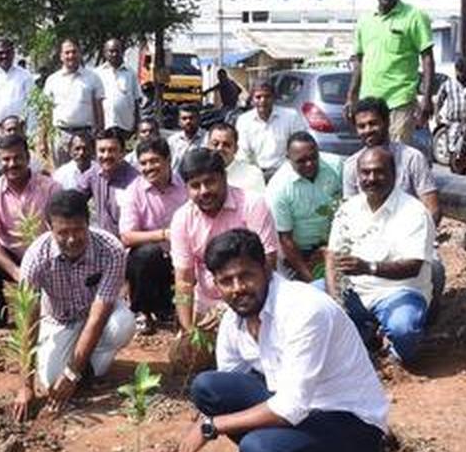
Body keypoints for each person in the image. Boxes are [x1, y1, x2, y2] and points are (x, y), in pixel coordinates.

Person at [167, 229, 388, 452]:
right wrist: (180, 444)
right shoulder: (235, 318)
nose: (238, 288)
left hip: (352, 425)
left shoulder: (305, 310)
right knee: (208, 387)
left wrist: (210, 428)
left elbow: (290, 408)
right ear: (216, 284)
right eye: (226, 281)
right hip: (303, 411)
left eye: (246, 276)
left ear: (266, 270)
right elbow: (230, 383)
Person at [14, 190, 133, 421]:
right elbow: (28, 319)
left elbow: (98, 316)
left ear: (88, 223)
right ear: (49, 228)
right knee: (50, 381)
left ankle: (86, 370)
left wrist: (71, 372)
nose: (71, 239)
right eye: (63, 232)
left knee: (123, 324)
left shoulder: (111, 250)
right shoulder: (35, 258)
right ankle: (82, 369)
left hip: (98, 315)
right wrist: (25, 385)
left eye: (78, 230)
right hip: (59, 319)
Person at [327, 147, 435, 365]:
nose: (371, 178)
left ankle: (394, 351)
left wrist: (368, 268)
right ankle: (366, 336)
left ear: (394, 174)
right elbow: (332, 255)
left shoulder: (414, 212)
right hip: (355, 291)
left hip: (399, 291)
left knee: (404, 329)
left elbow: (413, 266)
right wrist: (332, 297)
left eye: (379, 172)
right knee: (311, 300)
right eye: (365, 173)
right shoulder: (348, 209)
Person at [170, 148, 278, 360]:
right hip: (207, 308)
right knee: (181, 357)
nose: (203, 191)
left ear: (224, 177)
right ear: (186, 188)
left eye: (210, 182)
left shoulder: (253, 204)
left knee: (258, 356)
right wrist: (188, 329)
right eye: (195, 186)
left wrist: (227, 309)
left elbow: (268, 266)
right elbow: (183, 282)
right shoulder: (182, 219)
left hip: (254, 296)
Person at [0, 134, 62, 334]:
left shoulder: (50, 188)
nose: (12, 164)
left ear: (28, 158)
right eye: (6, 159)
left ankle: (56, 314)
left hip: (46, 256)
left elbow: (60, 229)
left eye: (17, 158)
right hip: (12, 258)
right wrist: (16, 272)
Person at [347, 0, 435, 146]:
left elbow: (427, 59)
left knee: (397, 158)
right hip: (370, 103)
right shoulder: (365, 20)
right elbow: (358, 62)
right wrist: (351, 96)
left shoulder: (414, 16)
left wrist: (427, 98)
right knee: (374, 157)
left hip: (400, 101)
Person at [120, 137, 187, 334]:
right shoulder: (133, 192)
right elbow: (127, 237)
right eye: (143, 163)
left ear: (168, 160)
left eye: (154, 161)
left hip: (181, 255)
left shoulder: (185, 187)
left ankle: (173, 309)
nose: (149, 167)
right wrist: (165, 235)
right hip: (149, 260)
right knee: (147, 253)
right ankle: (143, 311)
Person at [342, 97, 440, 225]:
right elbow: (349, 213)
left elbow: (432, 208)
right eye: (361, 126)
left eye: (373, 123)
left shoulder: (412, 158)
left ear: (387, 122)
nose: (368, 130)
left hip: (409, 232)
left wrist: (417, 235)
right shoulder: (352, 165)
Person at [266, 132, 342, 286]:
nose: (309, 164)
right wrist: (310, 279)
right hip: (298, 254)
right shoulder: (278, 188)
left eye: (313, 157)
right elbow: (285, 239)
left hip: (335, 245)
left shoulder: (336, 166)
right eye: (301, 161)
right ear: (288, 159)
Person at [43, 39, 105, 166]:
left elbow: (99, 108)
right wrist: (43, 140)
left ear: (80, 54)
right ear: (61, 56)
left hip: (86, 134)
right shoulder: (53, 80)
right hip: (61, 135)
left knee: (88, 173)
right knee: (61, 175)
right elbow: (46, 112)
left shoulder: (93, 78)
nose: (71, 56)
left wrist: (100, 133)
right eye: (67, 53)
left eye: (74, 52)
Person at [235, 81, 309, 180]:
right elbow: (243, 153)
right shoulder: (244, 121)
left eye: (267, 96)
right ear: (252, 99)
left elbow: (301, 147)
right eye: (258, 97)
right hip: (255, 175)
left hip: (284, 173)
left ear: (274, 98)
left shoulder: (291, 117)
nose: (263, 100)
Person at [76, 128, 138, 235]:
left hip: (130, 242)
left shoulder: (135, 179)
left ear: (123, 152)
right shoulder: (93, 174)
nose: (106, 156)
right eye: (102, 150)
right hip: (103, 242)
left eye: (112, 150)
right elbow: (75, 198)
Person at [0, 38, 36, 136]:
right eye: (1, 53)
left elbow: (32, 106)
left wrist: (32, 133)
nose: (4, 56)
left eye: (8, 52)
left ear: (13, 53)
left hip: (19, 130)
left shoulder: (25, 75)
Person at [96, 38, 141, 142]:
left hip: (125, 127)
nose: (114, 54)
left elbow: (137, 101)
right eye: (111, 51)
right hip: (104, 126)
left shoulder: (130, 73)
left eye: (117, 51)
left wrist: (136, 126)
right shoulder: (97, 74)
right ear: (105, 53)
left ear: (122, 52)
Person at [206, 122, 267, 195]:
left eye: (226, 145)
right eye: (215, 144)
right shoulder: (199, 175)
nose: (220, 148)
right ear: (208, 146)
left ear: (235, 149)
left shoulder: (252, 175)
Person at [167, 104, 205, 173]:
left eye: (191, 118)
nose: (188, 121)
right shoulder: (172, 140)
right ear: (179, 122)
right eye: (184, 118)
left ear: (198, 119)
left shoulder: (207, 138)